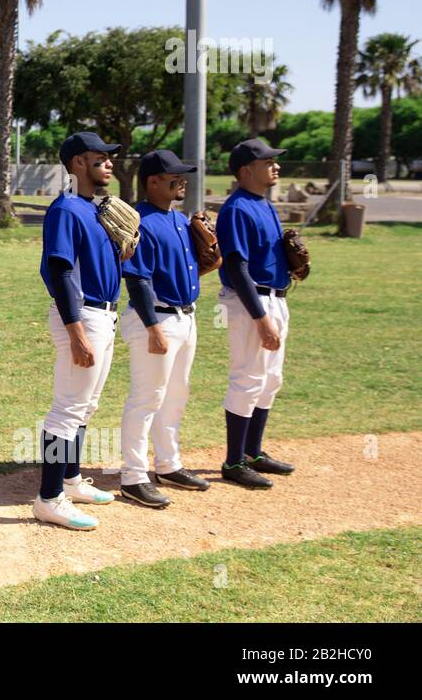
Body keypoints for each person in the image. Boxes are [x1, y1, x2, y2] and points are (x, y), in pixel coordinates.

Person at [33, 132, 122, 531]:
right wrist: (75, 331)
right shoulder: (66, 209)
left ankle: (70, 481)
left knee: (85, 407)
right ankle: (49, 499)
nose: (108, 164)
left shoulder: (94, 209)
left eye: (109, 158)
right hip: (82, 316)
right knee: (66, 410)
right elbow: (60, 270)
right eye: (99, 158)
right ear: (77, 164)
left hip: (103, 315)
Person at [118, 150, 211, 509]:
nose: (181, 181)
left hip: (185, 317)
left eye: (182, 176)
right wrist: (152, 326)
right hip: (155, 318)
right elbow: (138, 280)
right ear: (152, 181)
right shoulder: (140, 221)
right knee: (146, 399)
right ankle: (133, 476)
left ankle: (169, 464)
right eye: (174, 177)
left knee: (176, 396)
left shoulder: (179, 219)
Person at [216, 139, 297, 489]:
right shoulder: (237, 209)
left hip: (276, 296)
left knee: (270, 379)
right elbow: (236, 266)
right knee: (248, 378)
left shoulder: (264, 204)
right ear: (246, 170)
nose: (275, 166)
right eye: (268, 162)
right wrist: (261, 317)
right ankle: (234, 461)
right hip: (251, 301)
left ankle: (254, 452)